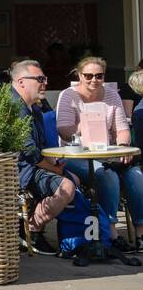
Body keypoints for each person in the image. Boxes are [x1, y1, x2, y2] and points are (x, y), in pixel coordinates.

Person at [55, 55, 143, 248]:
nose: (94, 80)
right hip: (77, 154)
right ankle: (111, 233)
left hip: (108, 153)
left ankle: (140, 233)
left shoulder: (112, 95)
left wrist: (124, 147)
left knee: (136, 175)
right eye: (88, 76)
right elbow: (63, 129)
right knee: (106, 176)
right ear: (79, 75)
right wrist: (86, 123)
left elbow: (122, 129)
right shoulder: (68, 95)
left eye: (99, 75)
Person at [11, 59, 73, 253]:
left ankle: (32, 229)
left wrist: (54, 161)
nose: (45, 82)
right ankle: (31, 231)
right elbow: (29, 153)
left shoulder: (34, 108)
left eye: (44, 78)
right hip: (17, 172)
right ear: (21, 82)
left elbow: (39, 146)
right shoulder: (13, 107)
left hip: (31, 167)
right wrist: (54, 168)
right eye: (39, 78)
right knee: (67, 186)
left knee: (75, 178)